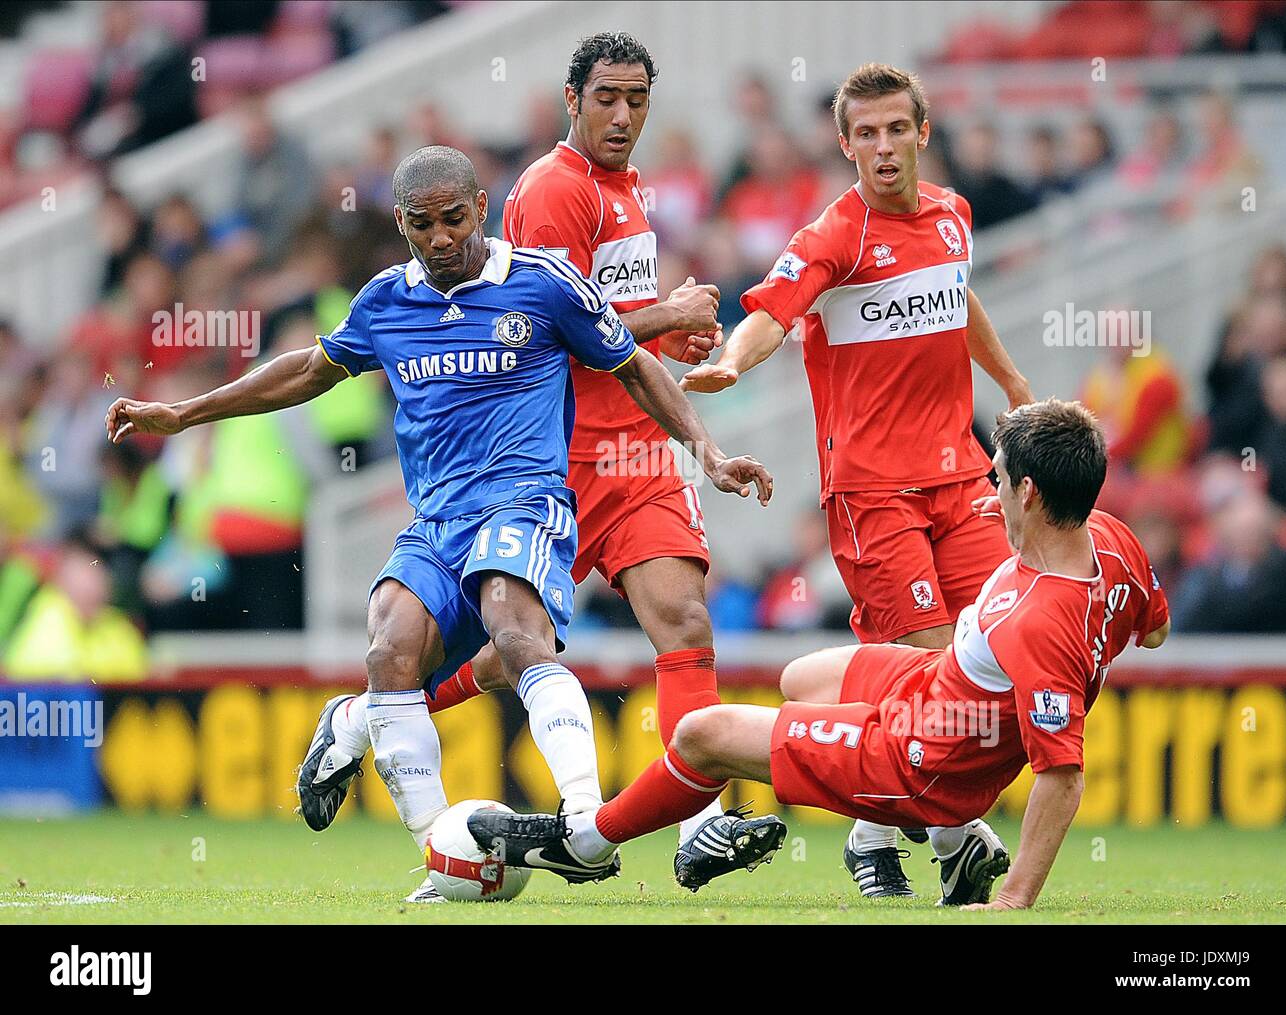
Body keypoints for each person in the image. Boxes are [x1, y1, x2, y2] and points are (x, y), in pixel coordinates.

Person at [104, 145, 773, 901]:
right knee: (390, 649)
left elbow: (634, 365)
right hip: (437, 520)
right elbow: (306, 370)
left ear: (480, 209)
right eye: (423, 225)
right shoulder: (386, 301)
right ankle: (445, 854)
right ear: (400, 224)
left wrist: (708, 453)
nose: (442, 237)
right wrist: (185, 412)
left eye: (455, 219)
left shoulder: (543, 283)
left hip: (526, 500)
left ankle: (584, 820)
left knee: (512, 629)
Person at [470, 400, 1171, 909]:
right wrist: (1020, 532)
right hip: (937, 679)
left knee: (700, 734)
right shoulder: (1110, 540)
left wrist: (1016, 898)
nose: (985, 490)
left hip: (922, 756)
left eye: (997, 480)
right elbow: (1155, 627)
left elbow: (1062, 775)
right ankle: (954, 850)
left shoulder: (1040, 620)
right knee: (799, 677)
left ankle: (587, 841)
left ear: (1031, 492)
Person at [679, 61, 1033, 897]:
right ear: (845, 145)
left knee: (994, 663)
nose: (882, 147)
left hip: (962, 478)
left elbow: (957, 298)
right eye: (865, 134)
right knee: (924, 672)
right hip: (873, 493)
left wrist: (1012, 384)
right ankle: (906, 841)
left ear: (922, 133)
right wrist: (732, 362)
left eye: (895, 130)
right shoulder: (835, 234)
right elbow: (771, 313)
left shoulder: (952, 216)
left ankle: (906, 835)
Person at [425, 32, 738, 847]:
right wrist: (669, 314)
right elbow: (551, 332)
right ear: (572, 99)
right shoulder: (555, 190)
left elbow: (613, 327)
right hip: (558, 460)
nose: (624, 114)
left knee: (685, 622)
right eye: (607, 97)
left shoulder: (626, 189)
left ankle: (698, 824)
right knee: (517, 643)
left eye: (638, 100)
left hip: (636, 457)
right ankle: (391, 708)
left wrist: (669, 343)